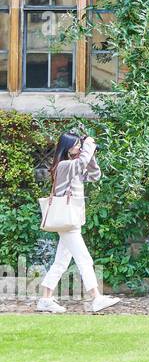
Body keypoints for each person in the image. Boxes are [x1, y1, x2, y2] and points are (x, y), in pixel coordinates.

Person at [35, 132, 120, 314]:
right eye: (76, 145)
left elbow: (94, 175)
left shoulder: (72, 166)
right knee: (84, 259)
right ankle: (96, 298)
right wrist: (88, 144)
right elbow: (81, 163)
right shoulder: (65, 166)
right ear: (67, 147)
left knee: (61, 262)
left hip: (72, 220)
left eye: (79, 145)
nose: (79, 148)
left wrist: (92, 154)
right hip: (68, 222)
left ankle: (45, 299)